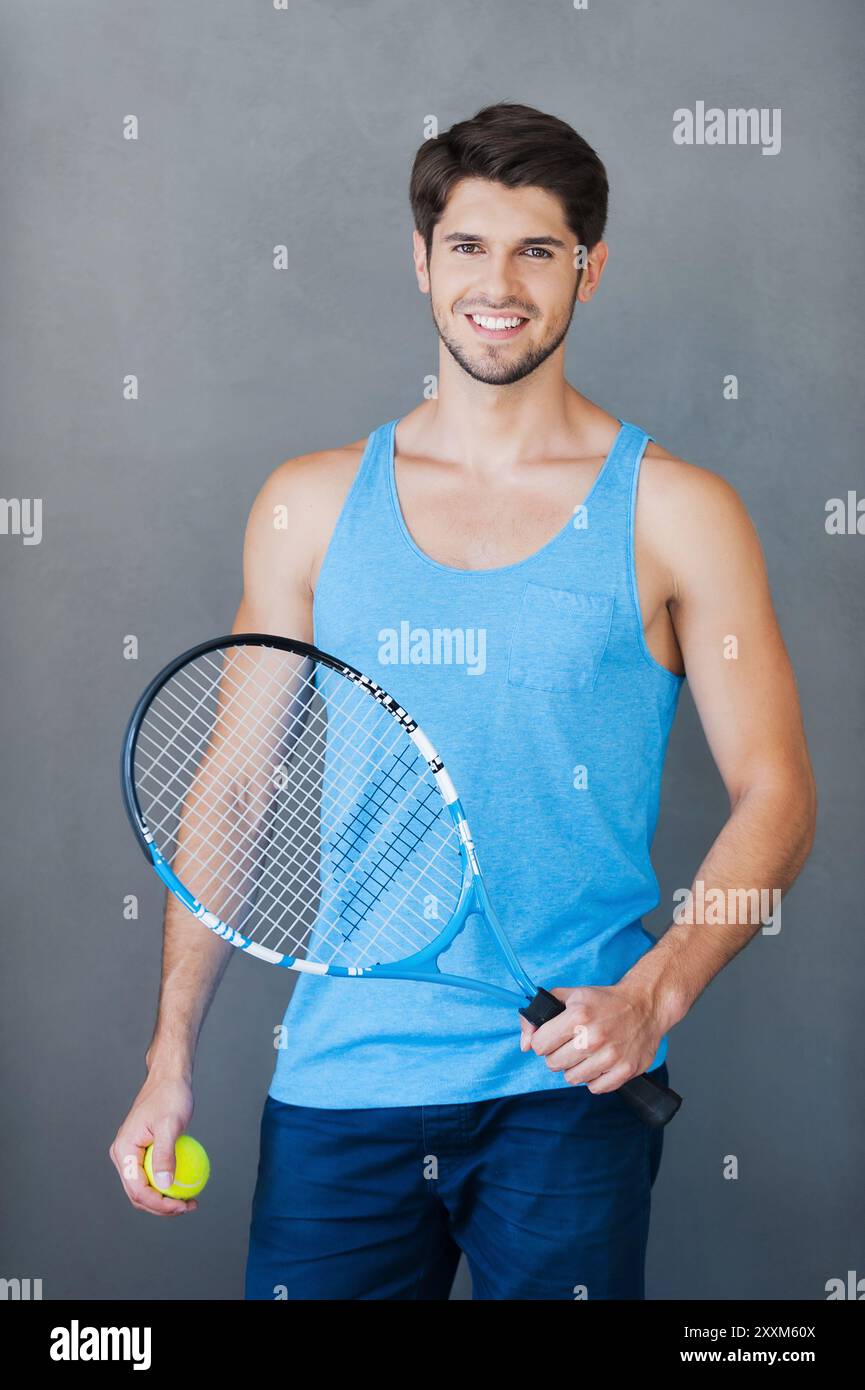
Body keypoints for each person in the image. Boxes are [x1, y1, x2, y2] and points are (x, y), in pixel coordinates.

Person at [110, 102, 816, 1300]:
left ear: (590, 270)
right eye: (470, 246)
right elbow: (230, 790)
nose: (501, 283)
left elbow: (778, 792)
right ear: (423, 261)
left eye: (538, 250)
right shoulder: (312, 504)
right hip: (343, 1084)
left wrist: (658, 989)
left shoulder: (677, 512)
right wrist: (169, 1054)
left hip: (568, 1094)